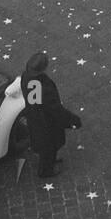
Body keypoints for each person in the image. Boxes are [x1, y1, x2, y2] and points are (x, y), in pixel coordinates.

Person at [20, 50, 81, 179]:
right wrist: (73, 120)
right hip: (46, 124)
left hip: (35, 119)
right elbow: (55, 110)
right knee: (49, 148)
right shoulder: (44, 88)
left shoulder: (26, 77)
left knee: (46, 147)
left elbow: (36, 102)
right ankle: (45, 171)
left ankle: (49, 163)